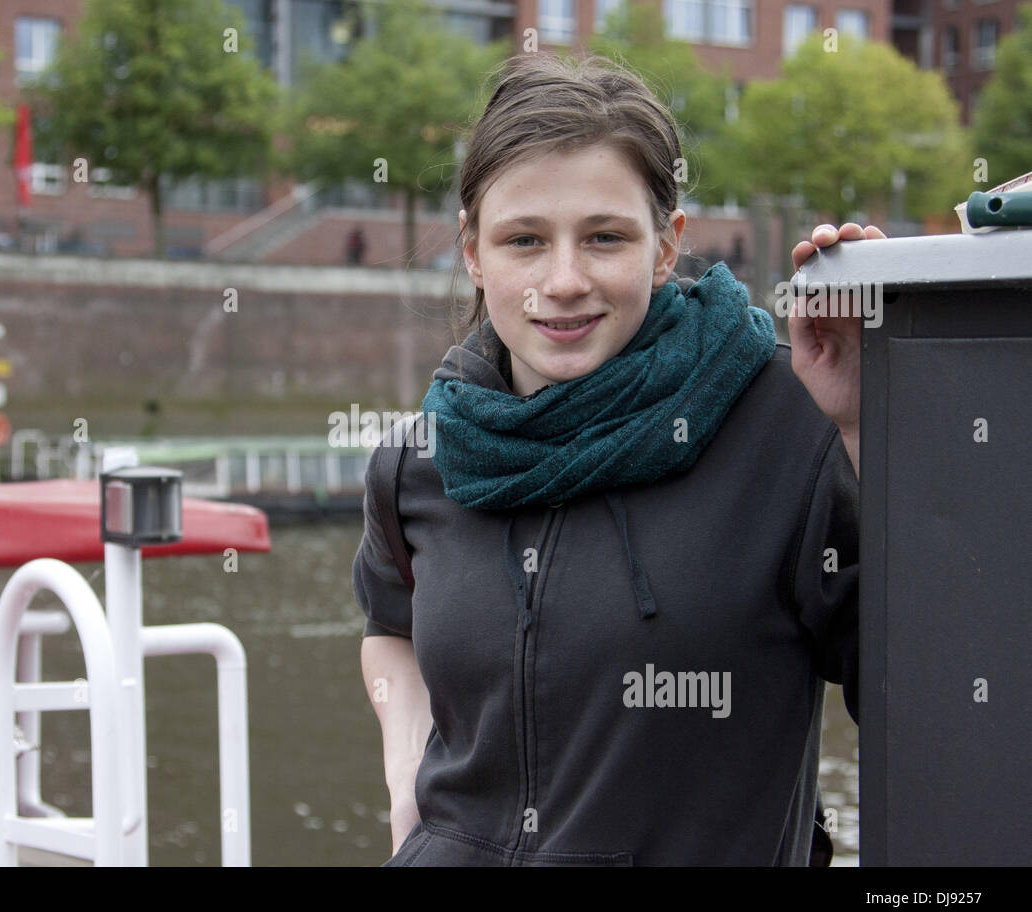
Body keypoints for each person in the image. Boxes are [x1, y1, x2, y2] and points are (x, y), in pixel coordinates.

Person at [352, 53, 885, 866]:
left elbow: (940, 683)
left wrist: (874, 434)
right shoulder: (425, 452)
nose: (563, 281)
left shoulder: (795, 421)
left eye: (604, 238)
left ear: (667, 245)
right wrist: (406, 784)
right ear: (472, 251)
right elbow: (389, 626)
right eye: (524, 240)